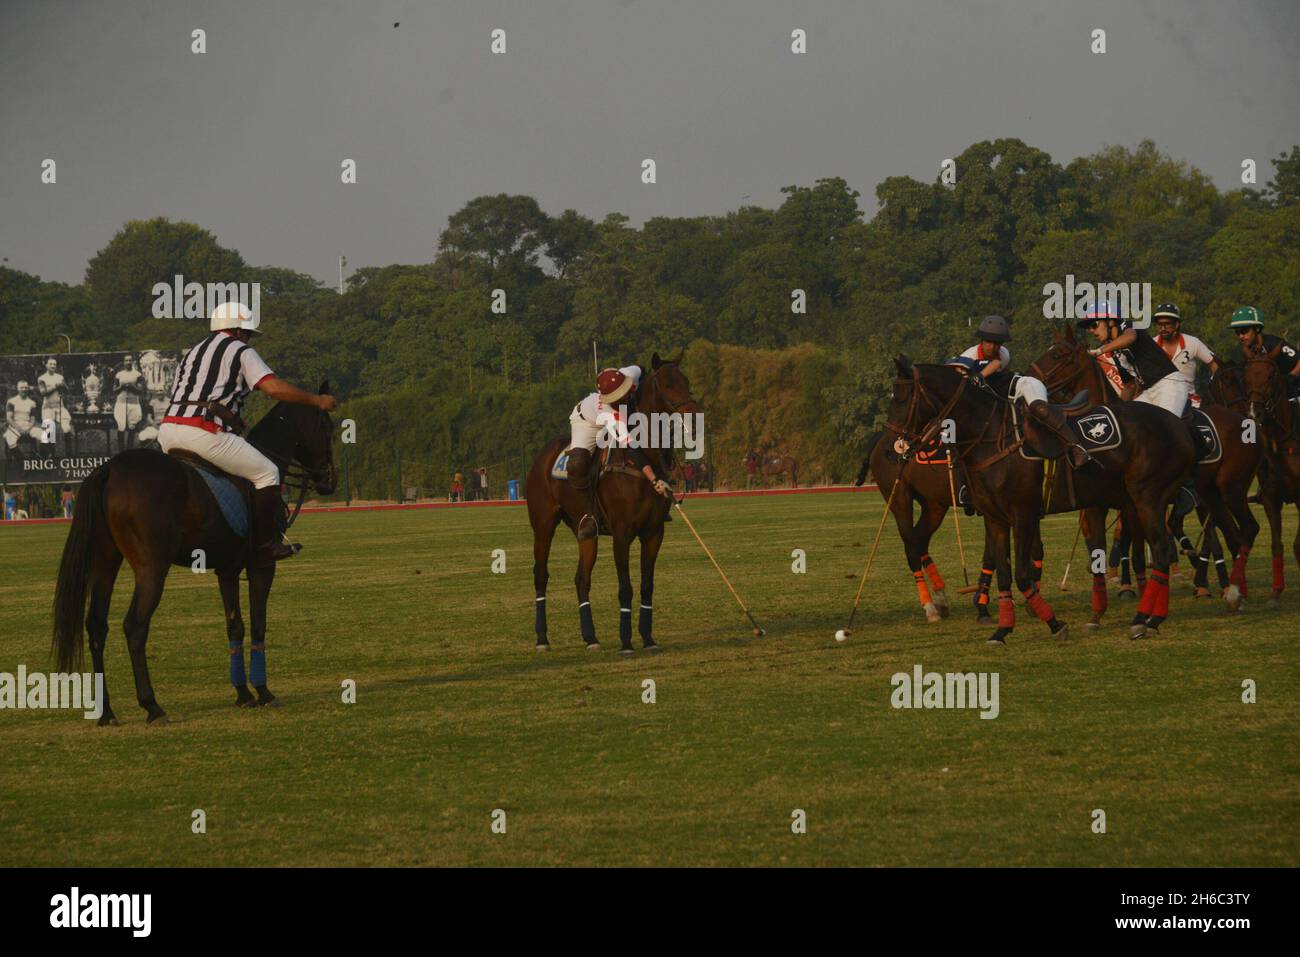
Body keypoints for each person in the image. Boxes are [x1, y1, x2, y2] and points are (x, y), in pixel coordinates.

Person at [158, 301, 337, 565]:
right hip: (203, 433)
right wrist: (317, 401)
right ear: (239, 331)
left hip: (168, 432)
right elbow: (273, 388)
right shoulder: (240, 350)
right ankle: (267, 545)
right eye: (249, 333)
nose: (249, 339)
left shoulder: (193, 352)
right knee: (267, 473)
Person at [565, 366, 672, 539]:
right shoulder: (609, 411)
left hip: (625, 414)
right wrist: (654, 480)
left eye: (624, 391)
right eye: (619, 396)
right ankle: (589, 515)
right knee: (577, 463)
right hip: (588, 423)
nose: (623, 397)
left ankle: (656, 508)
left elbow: (643, 370)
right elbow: (633, 450)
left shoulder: (631, 373)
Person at [1079, 300, 1187, 416]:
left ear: (1110, 321)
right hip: (1149, 391)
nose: (1091, 330)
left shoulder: (1128, 326)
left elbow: (1130, 338)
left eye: (1094, 325)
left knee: (1166, 427)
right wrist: (1115, 410)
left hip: (1170, 385)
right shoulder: (1116, 351)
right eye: (1088, 328)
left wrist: (1099, 351)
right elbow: (1129, 386)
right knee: (1128, 420)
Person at [1153, 303, 1218, 408]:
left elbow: (1214, 363)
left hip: (1188, 398)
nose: (1163, 328)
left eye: (1167, 324)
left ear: (1177, 324)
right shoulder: (1152, 345)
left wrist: (1212, 386)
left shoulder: (1193, 342)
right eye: (1159, 324)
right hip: (1159, 397)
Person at [1229, 306, 1300, 402]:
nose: (1241, 336)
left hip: (1296, 392)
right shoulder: (1243, 351)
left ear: (1257, 329)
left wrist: (1292, 376)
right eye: (1237, 333)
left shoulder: (1274, 343)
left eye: (1244, 331)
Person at [37, 357, 74, 453]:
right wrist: (55, 386)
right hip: (48, 408)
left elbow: (67, 391)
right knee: (49, 432)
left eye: (54, 364)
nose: (53, 366)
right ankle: (47, 455)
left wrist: (64, 386)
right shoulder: (42, 378)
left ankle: (69, 454)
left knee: (67, 428)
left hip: (60, 407)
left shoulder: (60, 377)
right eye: (51, 364)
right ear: (46, 365)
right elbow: (43, 393)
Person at [113, 353, 147, 451]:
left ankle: (129, 449)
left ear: (132, 362)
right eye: (126, 360)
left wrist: (132, 386)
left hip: (133, 403)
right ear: (123, 362)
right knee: (121, 426)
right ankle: (121, 450)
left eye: (130, 360)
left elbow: (141, 390)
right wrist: (122, 386)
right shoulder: (119, 375)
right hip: (121, 403)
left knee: (132, 426)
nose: (128, 362)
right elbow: (114, 390)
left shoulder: (137, 374)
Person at [5, 381, 45, 452]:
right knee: (10, 439)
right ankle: (21, 461)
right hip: (15, 427)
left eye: (26, 388)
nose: (24, 389)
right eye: (21, 388)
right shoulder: (11, 401)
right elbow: (9, 418)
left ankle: (41, 458)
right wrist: (19, 429)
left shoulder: (32, 403)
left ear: (28, 389)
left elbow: (33, 419)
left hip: (28, 426)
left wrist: (28, 428)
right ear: (17, 388)